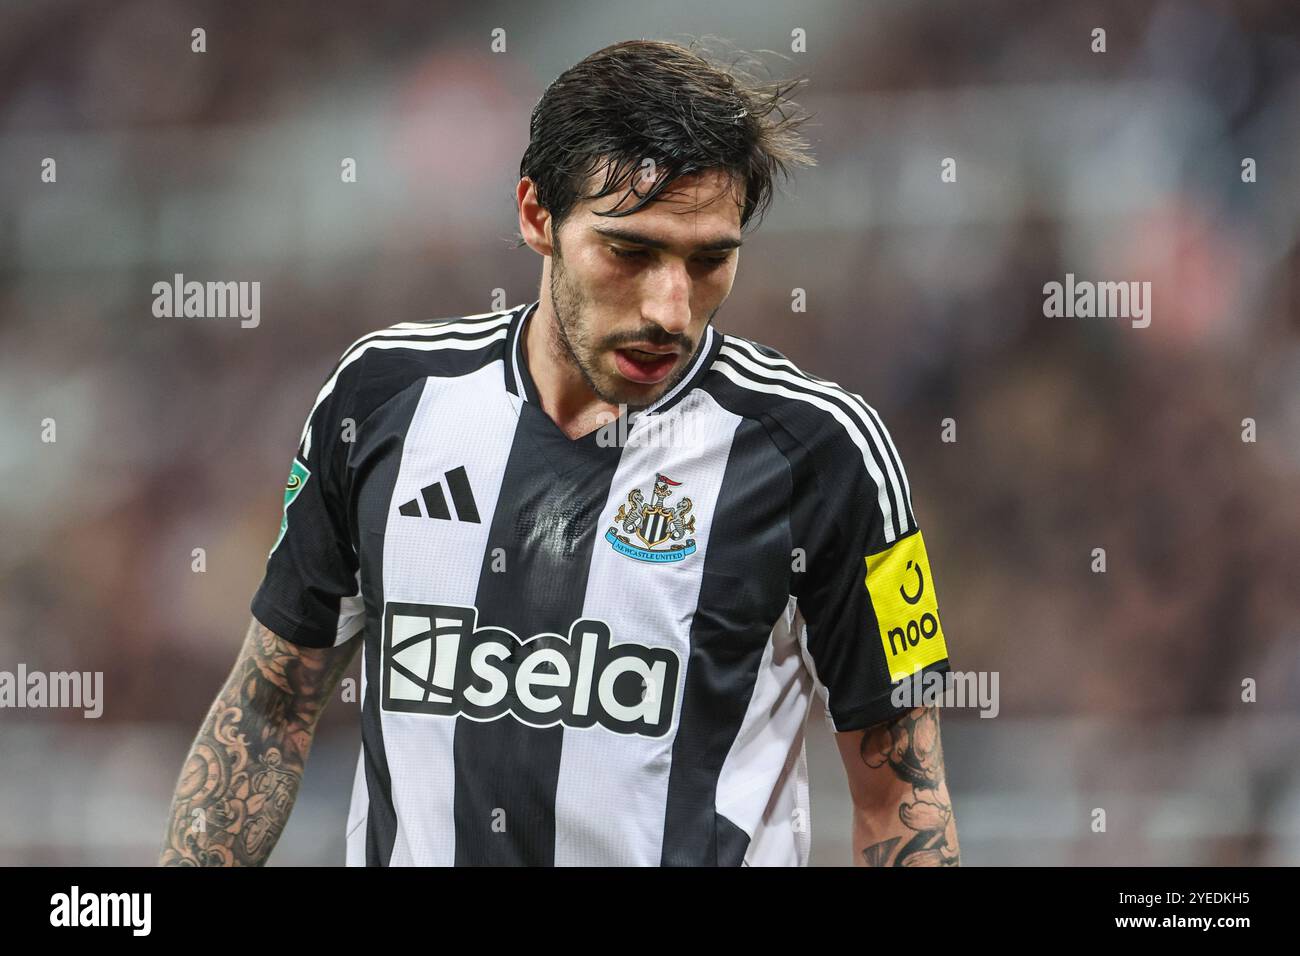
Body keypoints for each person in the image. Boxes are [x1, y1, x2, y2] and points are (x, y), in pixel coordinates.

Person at [161, 38, 959, 867]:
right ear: (537, 217)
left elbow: (904, 799)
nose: (671, 310)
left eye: (709, 259)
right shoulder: (381, 399)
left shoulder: (824, 453)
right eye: (631, 251)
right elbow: (269, 709)